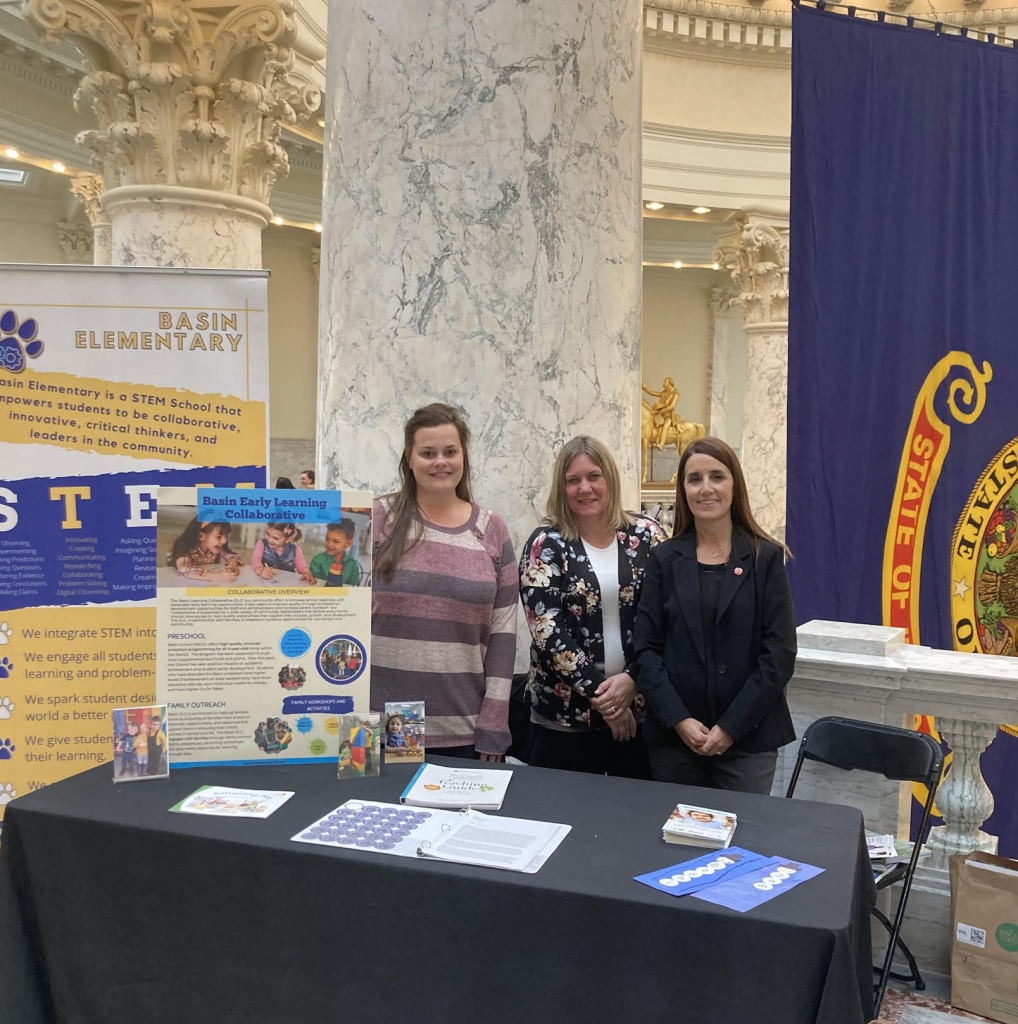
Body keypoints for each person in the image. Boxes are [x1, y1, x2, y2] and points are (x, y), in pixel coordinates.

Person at [633, 437, 797, 794]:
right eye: (694, 479)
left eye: (716, 476)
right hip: (675, 742)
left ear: (734, 485)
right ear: (683, 490)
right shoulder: (663, 560)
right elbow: (645, 649)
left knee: (742, 848)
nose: (706, 488)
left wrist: (731, 727)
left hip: (748, 742)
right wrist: (679, 720)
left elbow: (779, 655)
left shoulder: (764, 559)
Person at [373, 403, 516, 761]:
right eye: (428, 453)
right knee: (379, 816)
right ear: (409, 458)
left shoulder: (492, 529)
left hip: (464, 730)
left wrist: (494, 723)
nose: (441, 462)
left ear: (463, 456)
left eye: (450, 452)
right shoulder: (377, 519)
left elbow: (502, 635)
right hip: (380, 724)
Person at [519, 436, 668, 777]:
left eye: (594, 476)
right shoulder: (546, 544)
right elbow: (547, 632)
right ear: (562, 487)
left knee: (632, 819)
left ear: (610, 479)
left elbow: (667, 619)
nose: (584, 488)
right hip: (565, 719)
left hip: (641, 711)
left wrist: (632, 681)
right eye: (573, 480)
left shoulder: (647, 536)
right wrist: (609, 702)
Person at [167, 519, 241, 581]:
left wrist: (232, 565)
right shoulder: (186, 547)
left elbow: (232, 556)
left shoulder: (217, 546)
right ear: (201, 536)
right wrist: (218, 577)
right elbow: (184, 570)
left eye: (225, 536)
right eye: (219, 537)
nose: (224, 541)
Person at [309, 520, 361, 585]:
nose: (329, 544)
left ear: (348, 543)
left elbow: (354, 589)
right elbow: (313, 585)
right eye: (327, 539)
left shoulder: (352, 565)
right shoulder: (317, 561)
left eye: (336, 541)